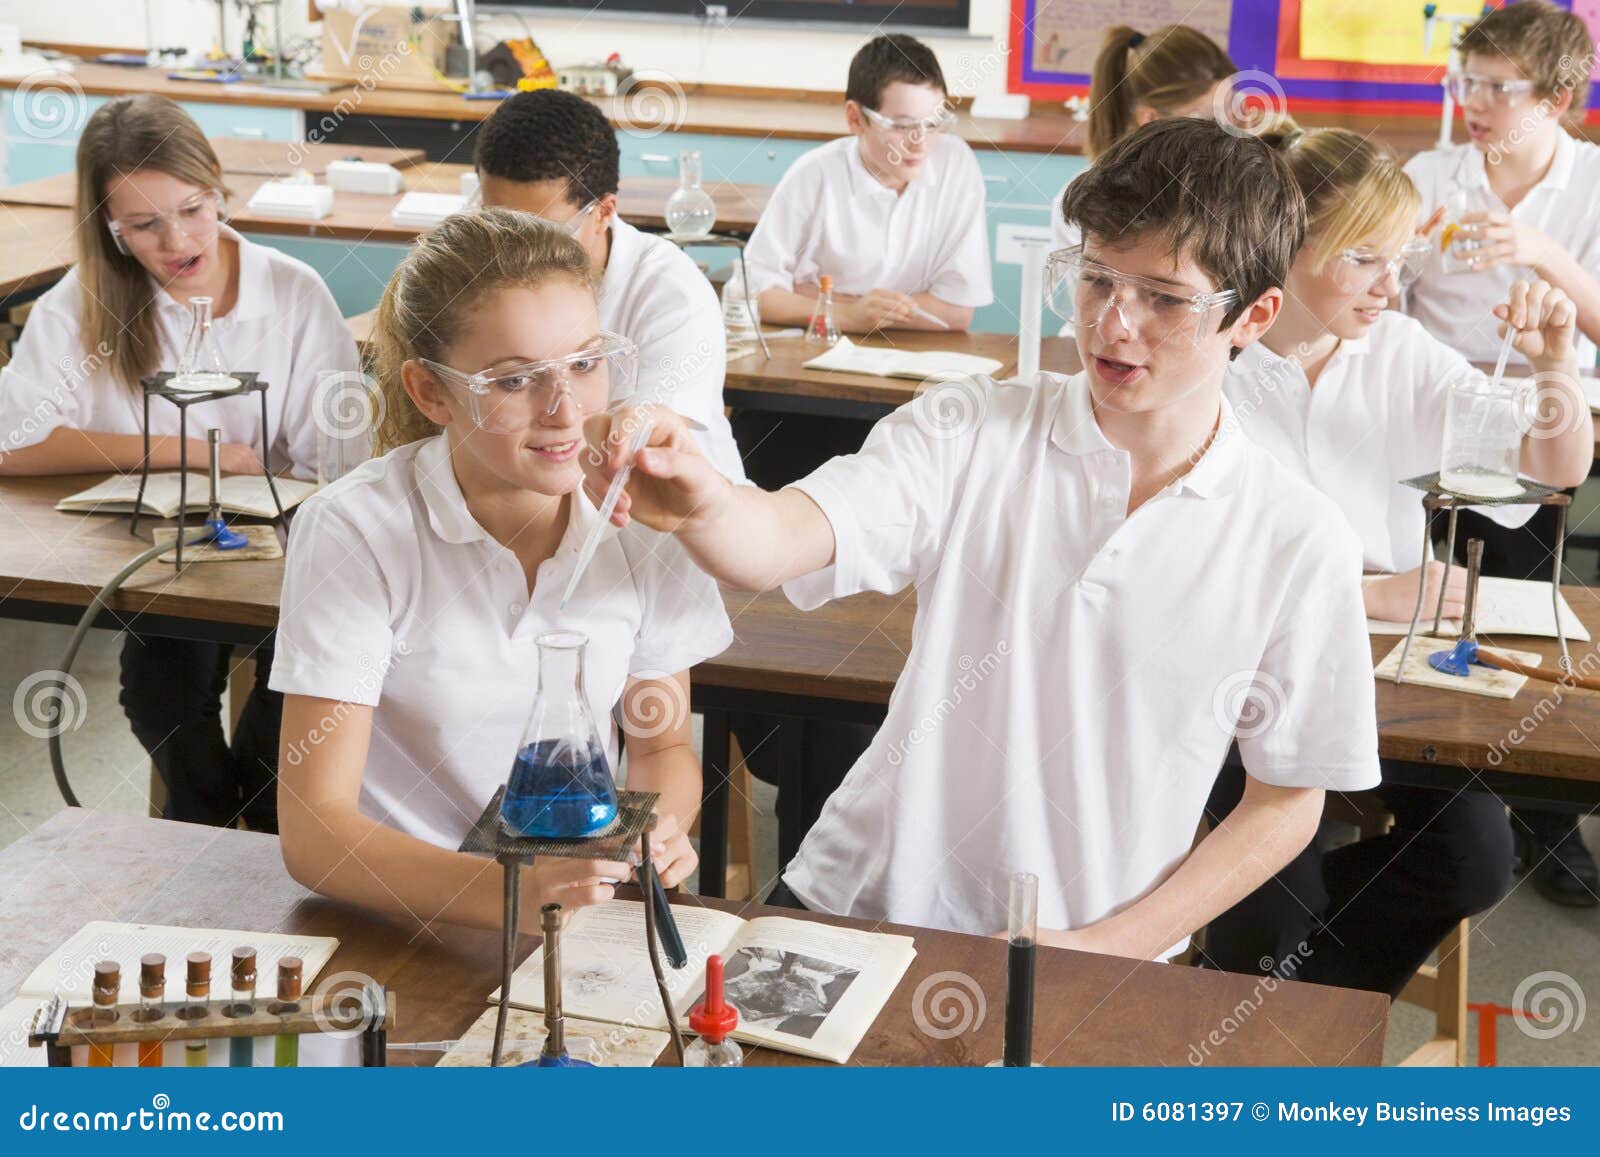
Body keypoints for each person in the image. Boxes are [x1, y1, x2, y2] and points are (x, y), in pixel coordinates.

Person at [580, 118, 1381, 959]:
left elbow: (1288, 798)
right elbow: (785, 537)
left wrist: (1112, 942)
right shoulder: (976, 426)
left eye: (1164, 298)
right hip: (865, 900)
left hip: (1094, 950)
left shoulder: (1297, 537)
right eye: (1096, 278)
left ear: (1252, 316)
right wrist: (705, 501)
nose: (1113, 323)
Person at [271, 209, 733, 931]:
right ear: (430, 392)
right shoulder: (357, 528)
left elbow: (662, 743)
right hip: (404, 923)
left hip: (577, 918)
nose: (564, 410)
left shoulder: (639, 510)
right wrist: (514, 899)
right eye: (514, 379)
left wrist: (658, 828)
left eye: (584, 363)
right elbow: (314, 830)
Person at [1207, 125, 1589, 995]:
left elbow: (1552, 468)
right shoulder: (1214, 367)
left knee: (1474, 858)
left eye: (1402, 258)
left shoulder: (1401, 352)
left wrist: (1556, 362)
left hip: (1390, 674)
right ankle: (1282, 985)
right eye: (1365, 259)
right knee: (1269, 893)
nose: (1392, 285)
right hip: (1246, 672)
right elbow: (1191, 560)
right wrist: (1369, 590)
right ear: (1285, 248)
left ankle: (1291, 993)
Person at [0, 94, 358, 832]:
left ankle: (251, 825)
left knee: (287, 714)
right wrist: (191, 453)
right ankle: (208, 826)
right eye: (144, 224)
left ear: (219, 188)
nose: (178, 240)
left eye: (194, 208)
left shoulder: (293, 294)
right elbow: (10, 440)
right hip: (172, 557)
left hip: (294, 559)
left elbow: (341, 472)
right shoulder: (86, 304)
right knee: (159, 692)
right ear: (109, 227)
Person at [1403, 0, 1600, 908]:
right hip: (1436, 414)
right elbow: (1371, 295)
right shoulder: (1431, 174)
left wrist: (1546, 256)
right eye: (1466, 81)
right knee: (1433, 575)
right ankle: (1433, 771)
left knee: (1526, 580)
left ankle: (1542, 808)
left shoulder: (1592, 186)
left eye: (1496, 87)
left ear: (1558, 98)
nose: (1473, 101)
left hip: (1557, 409)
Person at [473, 88, 745, 482]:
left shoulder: (672, 294)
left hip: (659, 519)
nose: (515, 251)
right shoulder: (476, 254)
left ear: (603, 212)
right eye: (497, 224)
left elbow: (632, 457)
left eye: (545, 232)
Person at [1051, 25, 1237, 252]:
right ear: (1152, 118)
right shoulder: (1087, 204)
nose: (1233, 127)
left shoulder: (1231, 183)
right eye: (1211, 117)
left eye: (1232, 106)